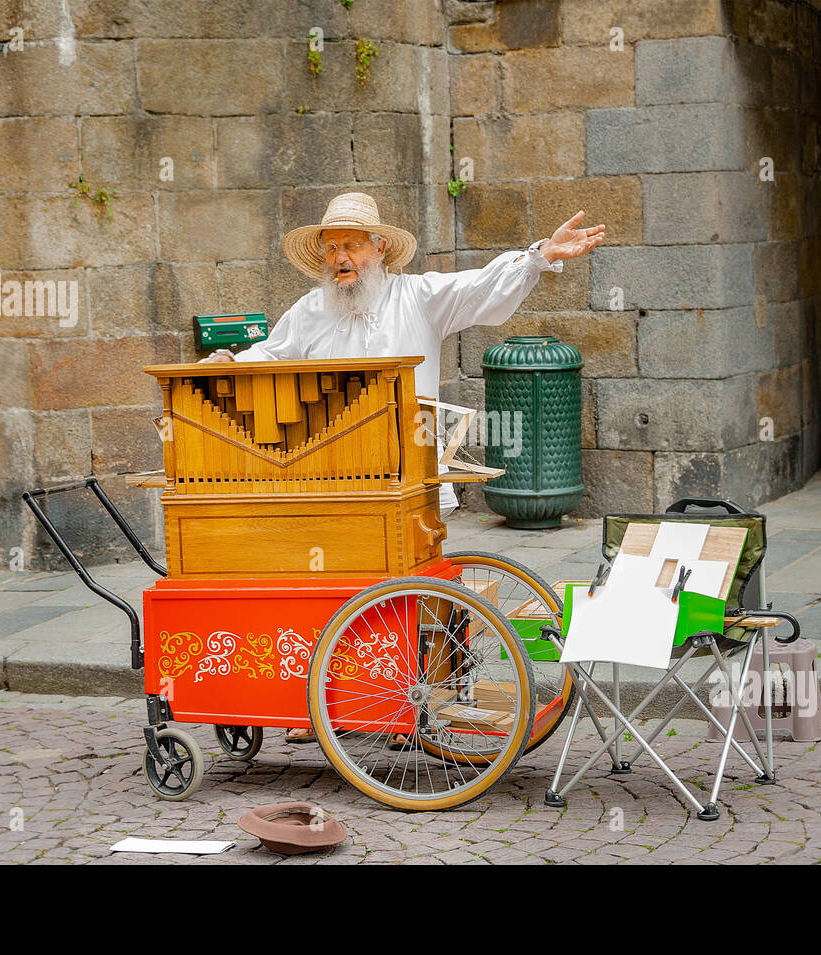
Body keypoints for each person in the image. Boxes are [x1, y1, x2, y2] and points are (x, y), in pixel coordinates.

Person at [201, 191, 604, 743]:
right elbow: (274, 355)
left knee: (410, 597)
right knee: (335, 592)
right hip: (333, 481)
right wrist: (229, 361)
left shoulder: (419, 296)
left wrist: (539, 255)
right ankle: (333, 702)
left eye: (351, 245)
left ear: (380, 248)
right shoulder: (311, 309)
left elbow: (481, 285)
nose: (340, 256)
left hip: (408, 478)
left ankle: (404, 707)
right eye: (331, 246)